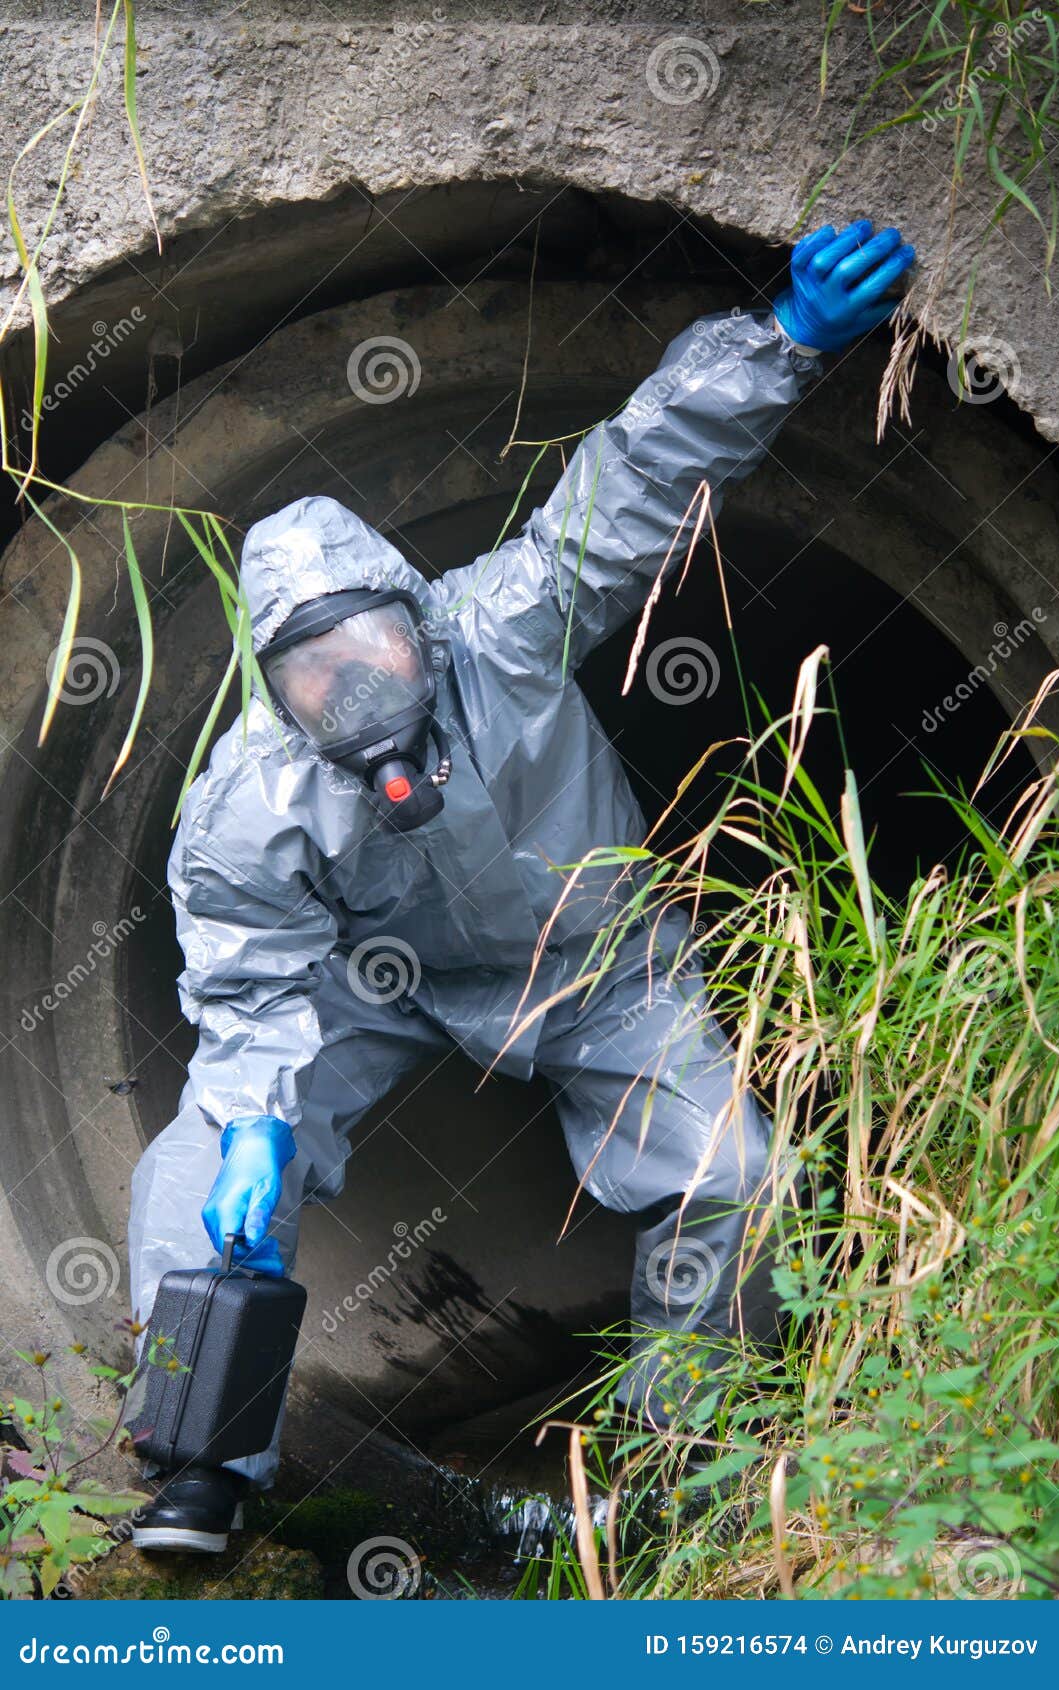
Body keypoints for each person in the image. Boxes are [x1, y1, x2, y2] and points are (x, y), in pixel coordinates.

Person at [127, 219, 915, 1551]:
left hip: (603, 965)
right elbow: (254, 989)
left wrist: (780, 341)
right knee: (198, 1173)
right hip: (390, 982)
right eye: (317, 678)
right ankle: (201, 1466)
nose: (358, 691)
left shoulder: (505, 624)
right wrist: (259, 1118)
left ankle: (692, 1472)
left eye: (374, 647)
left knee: (736, 1172)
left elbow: (637, 476)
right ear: (274, 687)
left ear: (418, 618)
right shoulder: (253, 803)